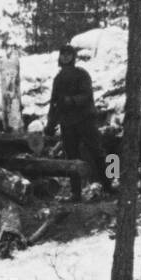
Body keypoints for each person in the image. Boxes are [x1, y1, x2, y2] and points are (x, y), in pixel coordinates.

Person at [44, 44, 109, 189]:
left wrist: (72, 100)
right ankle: (76, 192)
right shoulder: (58, 79)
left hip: (85, 119)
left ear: (73, 57)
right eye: (63, 54)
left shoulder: (82, 74)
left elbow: (87, 95)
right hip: (67, 123)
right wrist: (50, 124)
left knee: (97, 151)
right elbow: (54, 104)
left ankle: (109, 184)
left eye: (69, 54)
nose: (66, 56)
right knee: (71, 158)